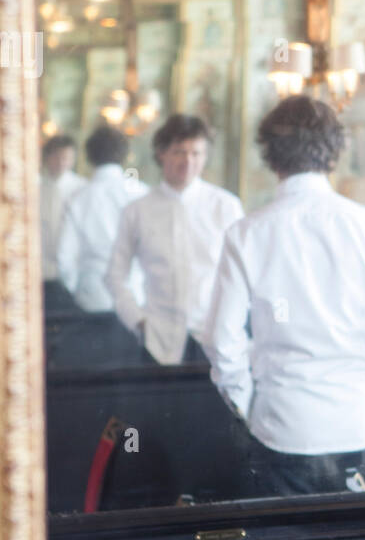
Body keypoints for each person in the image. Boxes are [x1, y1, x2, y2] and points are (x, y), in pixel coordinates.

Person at [201, 95, 365, 496]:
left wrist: (247, 401)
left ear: (270, 157)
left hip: (282, 426)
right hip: (358, 423)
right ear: (334, 152)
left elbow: (221, 341)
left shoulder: (247, 233)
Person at [106, 114, 243, 364]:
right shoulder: (137, 211)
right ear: (161, 153)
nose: (188, 161)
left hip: (215, 339)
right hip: (158, 341)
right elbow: (115, 275)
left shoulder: (226, 207)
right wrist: (138, 321)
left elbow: (243, 273)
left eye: (197, 153)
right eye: (179, 152)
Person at [56, 124, 148, 312]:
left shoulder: (78, 197)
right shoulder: (142, 193)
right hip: (135, 293)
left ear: (89, 156)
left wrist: (75, 287)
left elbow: (64, 256)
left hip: (92, 294)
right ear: (124, 155)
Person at [40, 134, 85, 298]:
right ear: (47, 158)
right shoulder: (35, 187)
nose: (61, 163)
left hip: (73, 270)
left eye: (66, 158)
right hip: (41, 267)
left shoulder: (82, 188)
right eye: (56, 157)